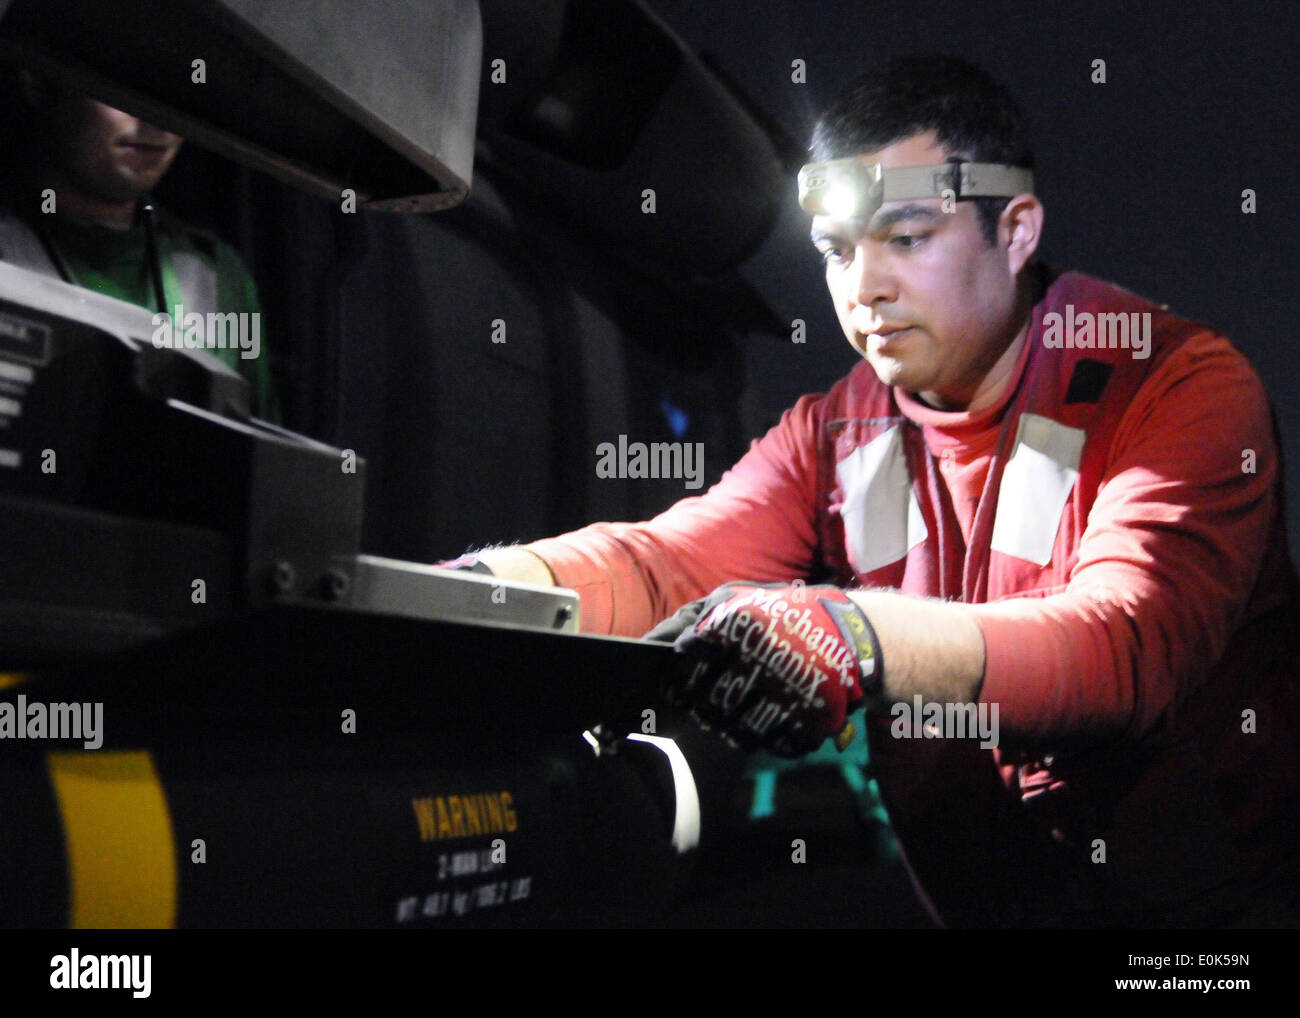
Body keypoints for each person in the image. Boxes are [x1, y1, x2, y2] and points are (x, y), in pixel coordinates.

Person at [446, 54, 1300, 927]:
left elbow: (1121, 647)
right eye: (836, 250)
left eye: (908, 237)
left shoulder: (1178, 388)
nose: (864, 288)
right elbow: (672, 560)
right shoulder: (837, 435)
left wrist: (855, 635)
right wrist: (474, 595)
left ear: (1016, 231)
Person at [0, 71, 279, 421]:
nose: (156, 122)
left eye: (177, 98)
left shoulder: (220, 276)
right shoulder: (11, 245)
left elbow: (258, 454)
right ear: (37, 82)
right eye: (121, 89)